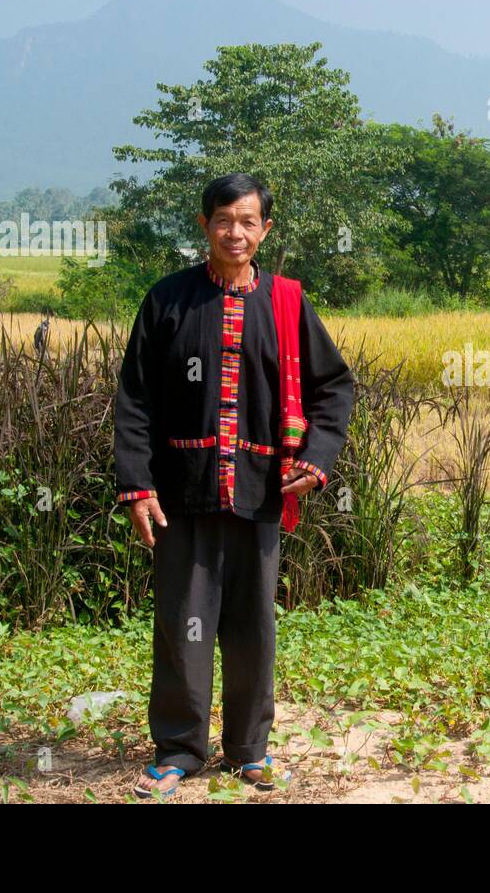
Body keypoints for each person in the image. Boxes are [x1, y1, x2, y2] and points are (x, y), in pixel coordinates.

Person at [113, 172, 354, 798]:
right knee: (182, 625)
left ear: (265, 229)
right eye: (224, 220)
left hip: (259, 492)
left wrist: (318, 458)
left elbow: (334, 387)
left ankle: (250, 750)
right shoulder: (168, 301)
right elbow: (134, 400)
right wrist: (138, 485)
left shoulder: (287, 304)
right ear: (204, 226)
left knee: (252, 627)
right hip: (182, 493)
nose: (236, 232)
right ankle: (178, 750)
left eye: (248, 221)